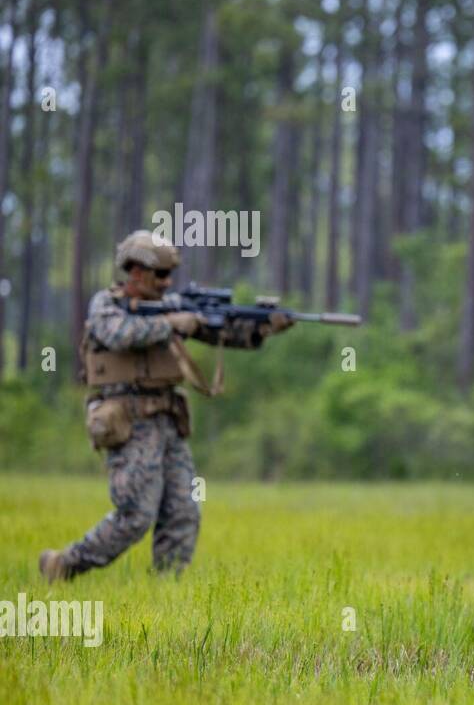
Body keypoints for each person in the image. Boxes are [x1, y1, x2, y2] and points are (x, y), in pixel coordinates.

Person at [39, 230, 292, 582]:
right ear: (136, 271)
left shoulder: (173, 307)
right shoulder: (106, 306)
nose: (167, 282)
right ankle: (64, 564)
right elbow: (117, 333)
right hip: (126, 423)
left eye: (169, 274)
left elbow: (220, 332)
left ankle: (166, 587)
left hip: (168, 421)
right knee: (136, 514)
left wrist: (261, 328)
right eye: (160, 274)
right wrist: (171, 323)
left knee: (184, 510)